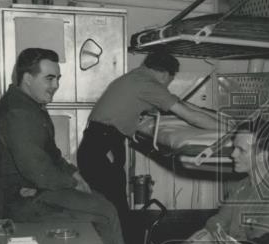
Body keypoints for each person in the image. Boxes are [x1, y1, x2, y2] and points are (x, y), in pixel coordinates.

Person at [0, 48, 132, 244]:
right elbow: (39, 172)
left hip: (33, 193)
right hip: (23, 204)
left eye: (58, 78)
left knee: (96, 201)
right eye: (49, 78)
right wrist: (72, 183)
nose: (55, 85)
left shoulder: (29, 107)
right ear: (28, 78)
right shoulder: (19, 113)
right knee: (105, 211)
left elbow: (52, 155)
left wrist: (75, 174)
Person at [145, 117, 269, 244]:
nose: (233, 154)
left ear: (262, 156)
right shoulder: (242, 186)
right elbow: (214, 224)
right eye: (234, 148)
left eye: (241, 150)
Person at [77, 50, 221, 215]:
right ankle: (125, 241)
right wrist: (226, 132)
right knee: (115, 210)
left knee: (110, 208)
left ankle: (122, 240)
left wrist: (212, 115)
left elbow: (180, 104)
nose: (166, 86)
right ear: (165, 74)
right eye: (169, 80)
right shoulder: (148, 84)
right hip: (103, 148)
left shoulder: (135, 77)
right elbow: (190, 116)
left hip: (96, 144)